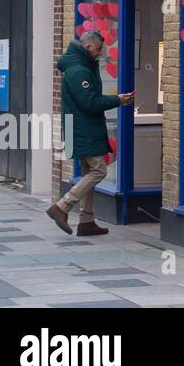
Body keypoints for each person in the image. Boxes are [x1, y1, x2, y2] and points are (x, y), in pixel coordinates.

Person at [47, 31, 133, 236]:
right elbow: (90, 102)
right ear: (87, 47)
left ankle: (86, 221)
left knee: (88, 172)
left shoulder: (81, 66)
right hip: (83, 129)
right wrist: (117, 100)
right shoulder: (79, 71)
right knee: (99, 171)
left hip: (82, 128)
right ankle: (62, 206)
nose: (100, 53)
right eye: (98, 49)